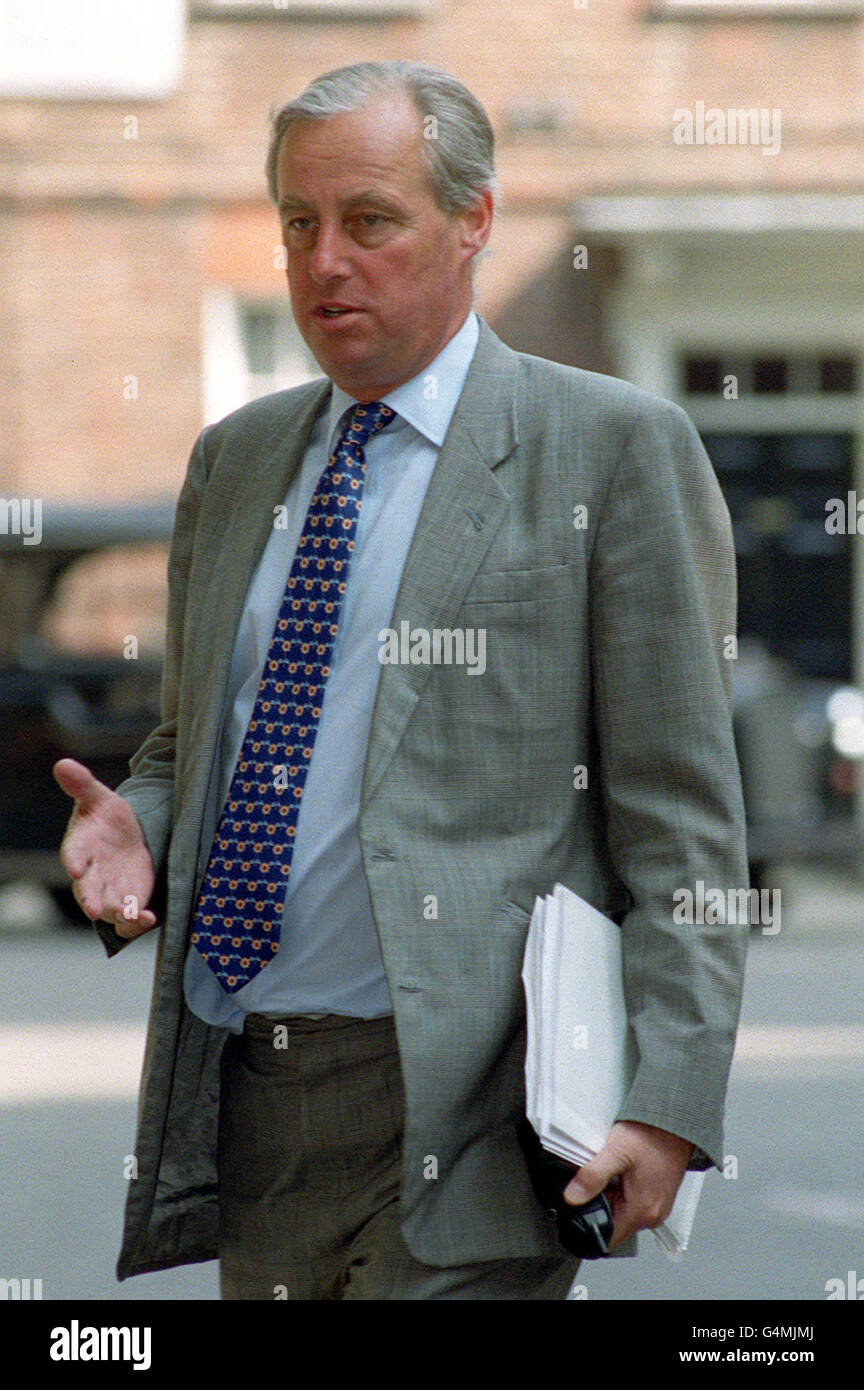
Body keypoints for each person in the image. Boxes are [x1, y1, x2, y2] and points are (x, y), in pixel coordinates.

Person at [54, 60, 749, 1301]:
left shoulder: (615, 450)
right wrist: (142, 821)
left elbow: (684, 819)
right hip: (251, 1089)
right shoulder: (238, 459)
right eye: (298, 225)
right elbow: (193, 741)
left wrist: (671, 1096)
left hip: (471, 1109)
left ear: (473, 220)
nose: (326, 262)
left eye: (370, 221)